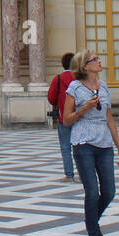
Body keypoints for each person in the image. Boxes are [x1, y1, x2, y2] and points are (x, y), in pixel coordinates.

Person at [61, 49, 119, 236]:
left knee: (109, 191)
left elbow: (110, 118)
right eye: (95, 59)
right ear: (84, 66)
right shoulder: (75, 87)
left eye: (98, 58)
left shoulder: (104, 86)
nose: (99, 61)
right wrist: (84, 109)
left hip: (104, 143)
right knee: (92, 192)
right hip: (83, 143)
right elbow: (67, 119)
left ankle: (92, 223)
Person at [46, 53, 76, 182]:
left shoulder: (58, 79)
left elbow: (51, 98)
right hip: (79, 117)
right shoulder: (80, 78)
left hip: (63, 117)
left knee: (65, 147)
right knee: (81, 147)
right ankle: (84, 173)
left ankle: (69, 175)